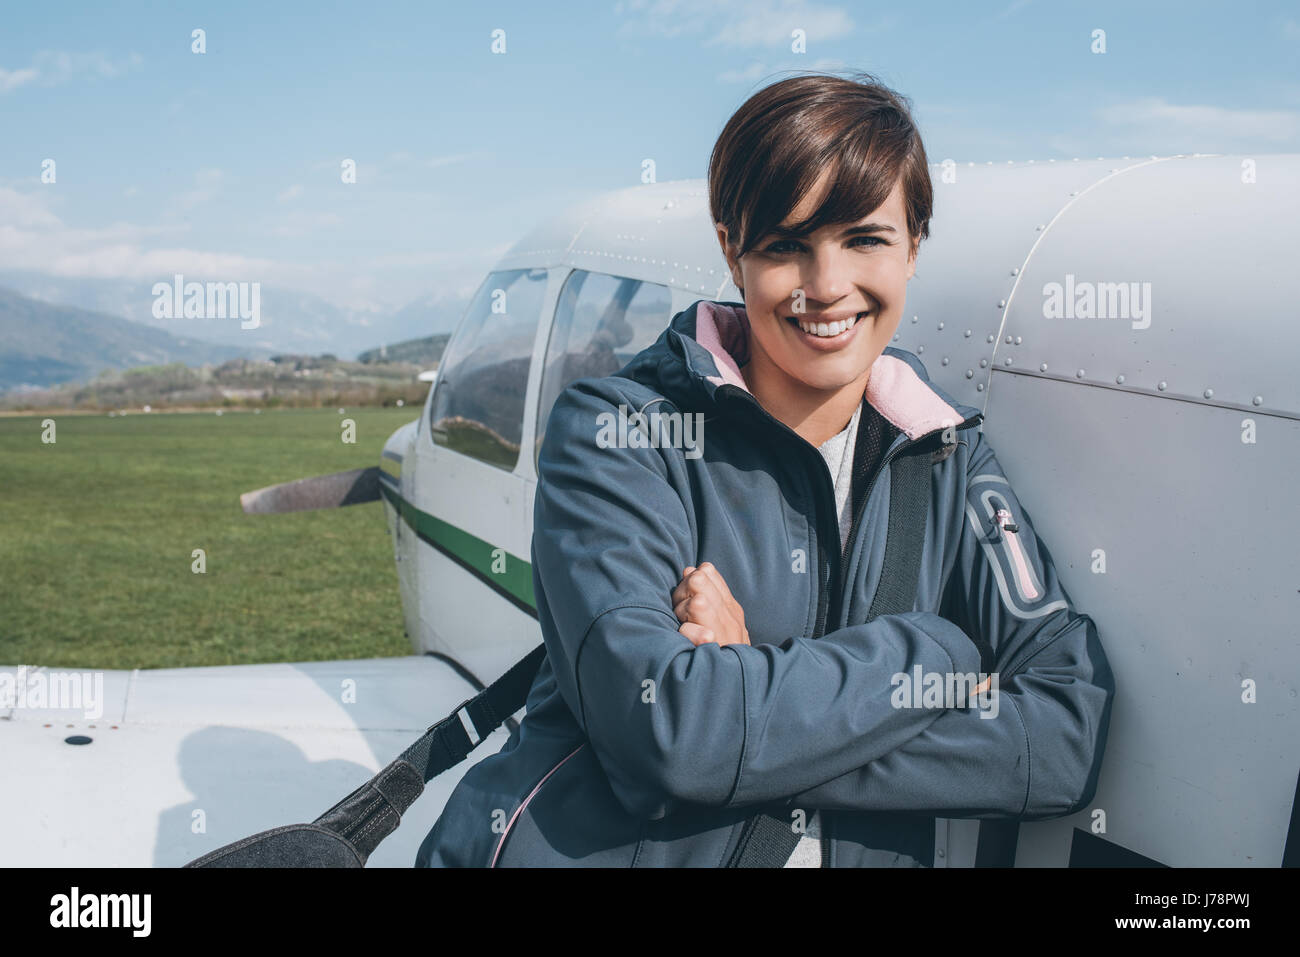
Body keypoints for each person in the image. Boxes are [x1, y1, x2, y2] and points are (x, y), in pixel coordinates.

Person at [416, 71, 1114, 868]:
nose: (826, 287)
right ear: (730, 251)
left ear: (914, 245)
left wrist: (748, 696)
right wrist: (939, 650)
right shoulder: (619, 434)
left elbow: (1064, 733)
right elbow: (667, 735)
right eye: (785, 245)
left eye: (865, 238)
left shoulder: (947, 453)